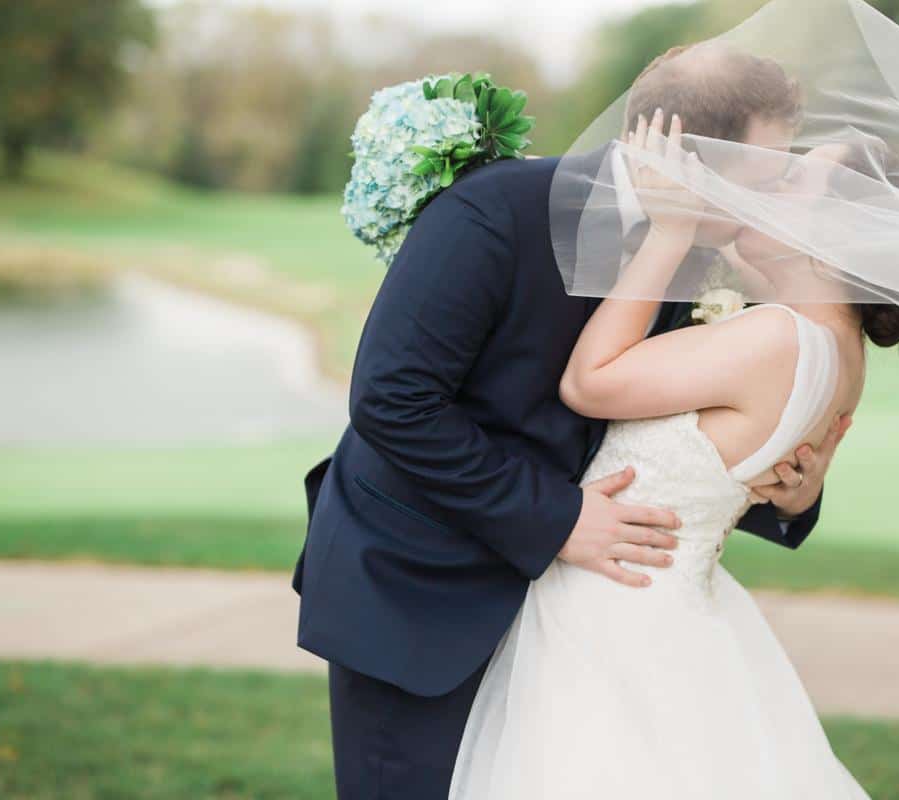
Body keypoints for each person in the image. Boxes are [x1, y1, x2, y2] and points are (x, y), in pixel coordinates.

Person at [291, 42, 836, 800]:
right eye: (763, 173)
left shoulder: (701, 254)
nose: (772, 194)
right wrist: (557, 518)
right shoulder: (494, 211)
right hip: (417, 591)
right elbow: (393, 400)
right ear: (689, 155)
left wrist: (787, 494)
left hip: (575, 628)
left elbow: (666, 442)